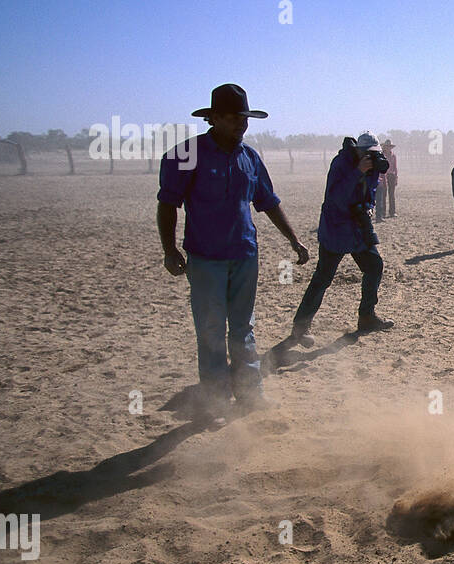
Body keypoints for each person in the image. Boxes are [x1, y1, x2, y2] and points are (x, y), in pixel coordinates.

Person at [157, 83, 309, 416]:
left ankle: (250, 396)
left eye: (245, 119)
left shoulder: (250, 157)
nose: (241, 125)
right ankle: (214, 402)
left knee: (243, 328)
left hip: (245, 254)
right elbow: (168, 204)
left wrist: (293, 238)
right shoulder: (186, 155)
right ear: (212, 118)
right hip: (205, 257)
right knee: (211, 330)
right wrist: (169, 250)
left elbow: (267, 201)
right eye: (233, 119)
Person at [286, 132, 395, 343]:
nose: (373, 159)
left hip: (358, 227)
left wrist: (369, 207)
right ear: (359, 151)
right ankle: (300, 327)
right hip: (335, 228)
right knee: (323, 278)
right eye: (370, 155)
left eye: (376, 154)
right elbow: (335, 198)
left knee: (374, 266)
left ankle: (366, 316)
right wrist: (357, 172)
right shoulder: (341, 163)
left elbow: (369, 192)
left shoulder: (372, 166)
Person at [376, 137, 398, 221]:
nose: (388, 148)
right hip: (384, 175)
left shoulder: (393, 156)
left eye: (389, 146)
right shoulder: (382, 155)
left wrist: (396, 177)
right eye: (387, 146)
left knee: (391, 194)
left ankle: (392, 212)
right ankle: (382, 212)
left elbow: (395, 167)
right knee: (383, 194)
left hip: (391, 175)